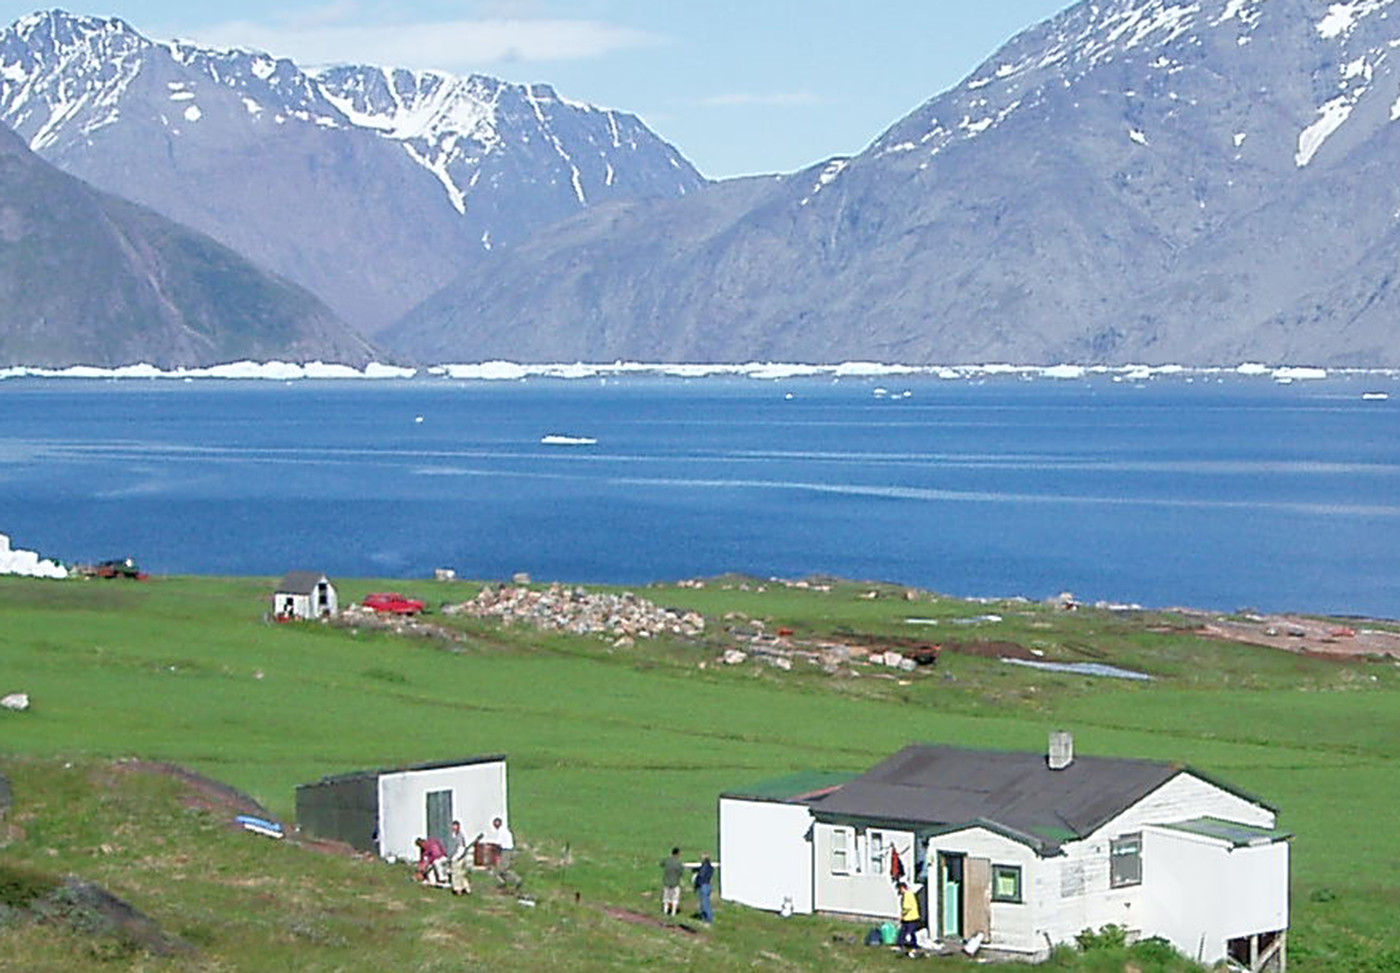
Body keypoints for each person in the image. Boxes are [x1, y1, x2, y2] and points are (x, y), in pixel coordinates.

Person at [486, 816, 522, 891]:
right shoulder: (505, 830)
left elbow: (498, 843)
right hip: (506, 850)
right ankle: (503, 882)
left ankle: (516, 879)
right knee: (500, 869)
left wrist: (490, 845)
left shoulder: (502, 831)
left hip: (506, 850)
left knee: (503, 869)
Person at [449, 820, 478, 896]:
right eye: (453, 826)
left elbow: (461, 847)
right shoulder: (455, 835)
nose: (454, 828)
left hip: (459, 856)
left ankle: (458, 889)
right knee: (461, 874)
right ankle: (466, 888)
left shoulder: (459, 836)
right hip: (458, 855)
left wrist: (456, 857)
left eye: (455, 826)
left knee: (457, 873)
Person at [660, 847, 685, 917]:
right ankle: (673, 912)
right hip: (675, 883)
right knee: (675, 898)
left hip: (667, 882)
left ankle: (665, 911)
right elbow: (681, 872)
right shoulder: (679, 863)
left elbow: (661, 863)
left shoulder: (667, 861)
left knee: (666, 898)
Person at [897, 881, 921, 951]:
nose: (899, 891)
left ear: (902, 888)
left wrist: (902, 915)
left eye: (900, 889)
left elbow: (907, 907)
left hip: (910, 917)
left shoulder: (907, 895)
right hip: (913, 917)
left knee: (906, 932)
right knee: (910, 932)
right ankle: (913, 944)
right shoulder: (911, 894)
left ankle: (903, 944)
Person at [693, 853, 715, 923]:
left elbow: (701, 876)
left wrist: (697, 884)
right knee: (706, 902)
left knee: (704, 903)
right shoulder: (710, 867)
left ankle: (708, 918)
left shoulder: (704, 867)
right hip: (708, 885)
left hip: (703, 885)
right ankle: (706, 917)